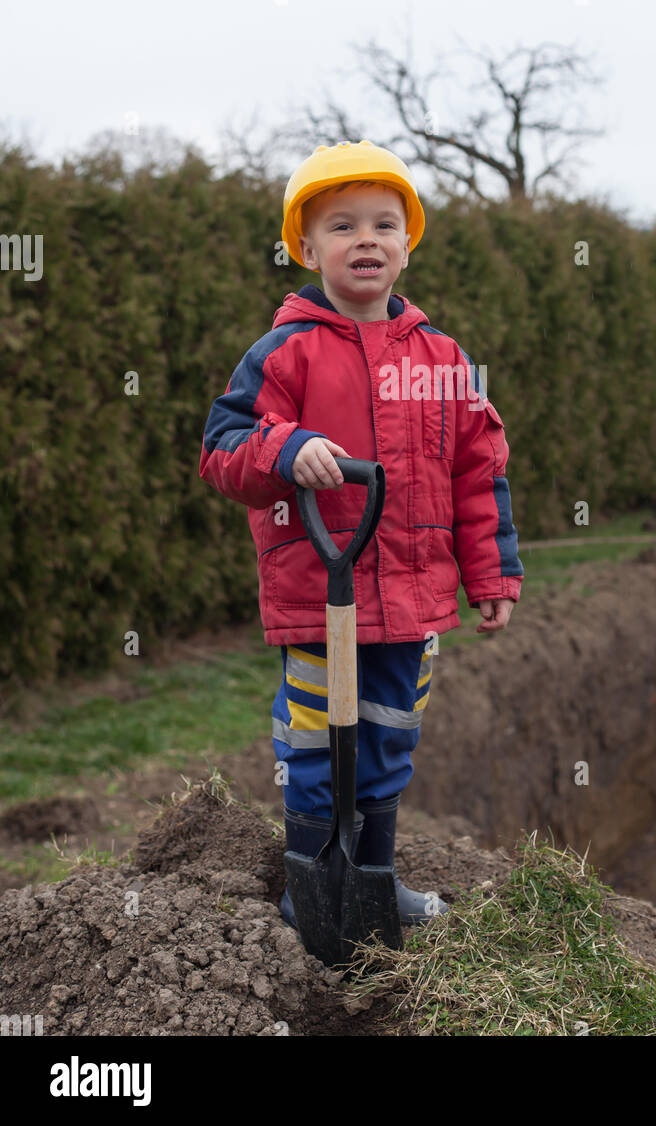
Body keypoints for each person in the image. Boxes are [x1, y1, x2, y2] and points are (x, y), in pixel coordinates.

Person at [198, 139, 523, 927]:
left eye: (385, 223)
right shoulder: (285, 353)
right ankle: (311, 889)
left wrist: (491, 575)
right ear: (305, 248)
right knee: (313, 744)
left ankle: (373, 880)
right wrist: (286, 447)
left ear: (408, 245)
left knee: (387, 736)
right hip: (321, 589)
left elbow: (478, 474)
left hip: (410, 597)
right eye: (341, 227)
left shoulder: (443, 360)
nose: (366, 240)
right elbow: (222, 452)